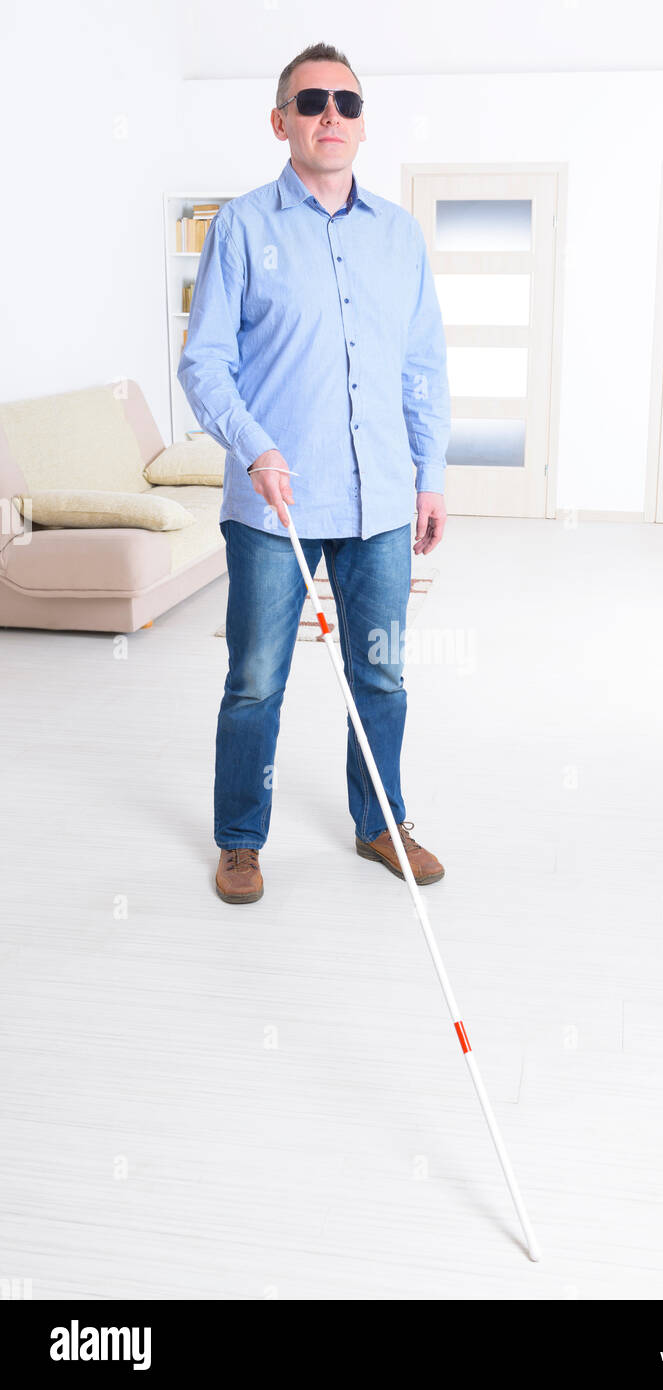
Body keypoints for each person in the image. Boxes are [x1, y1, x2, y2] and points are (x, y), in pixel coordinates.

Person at [177, 41, 451, 905]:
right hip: (274, 509)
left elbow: (422, 366)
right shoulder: (241, 226)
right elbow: (204, 363)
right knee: (255, 679)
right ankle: (239, 840)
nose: (329, 114)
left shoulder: (399, 236)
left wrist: (429, 475)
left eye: (346, 101)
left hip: (378, 505)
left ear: (362, 124)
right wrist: (255, 444)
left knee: (381, 673)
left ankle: (380, 823)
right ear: (280, 121)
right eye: (310, 101)